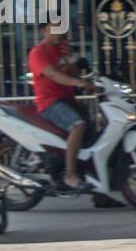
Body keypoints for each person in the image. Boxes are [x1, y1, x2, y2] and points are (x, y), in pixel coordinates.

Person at [27, 20, 92, 190]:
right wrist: (79, 83)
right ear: (43, 30)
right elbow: (53, 75)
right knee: (78, 126)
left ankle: (99, 192)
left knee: (94, 138)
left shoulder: (62, 50)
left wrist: (70, 58)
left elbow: (75, 72)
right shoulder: (38, 53)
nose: (59, 32)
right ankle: (70, 175)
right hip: (50, 103)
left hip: (68, 101)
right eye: (54, 28)